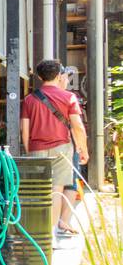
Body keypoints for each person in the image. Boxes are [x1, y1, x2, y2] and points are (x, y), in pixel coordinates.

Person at [20, 59, 89, 237]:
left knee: (39, 191)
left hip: (37, 148)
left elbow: (24, 129)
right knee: (56, 191)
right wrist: (83, 149)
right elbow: (78, 126)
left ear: (39, 76)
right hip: (62, 148)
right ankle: (49, 237)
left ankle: (36, 231)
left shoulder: (29, 99)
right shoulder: (68, 97)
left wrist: (30, 150)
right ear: (59, 76)